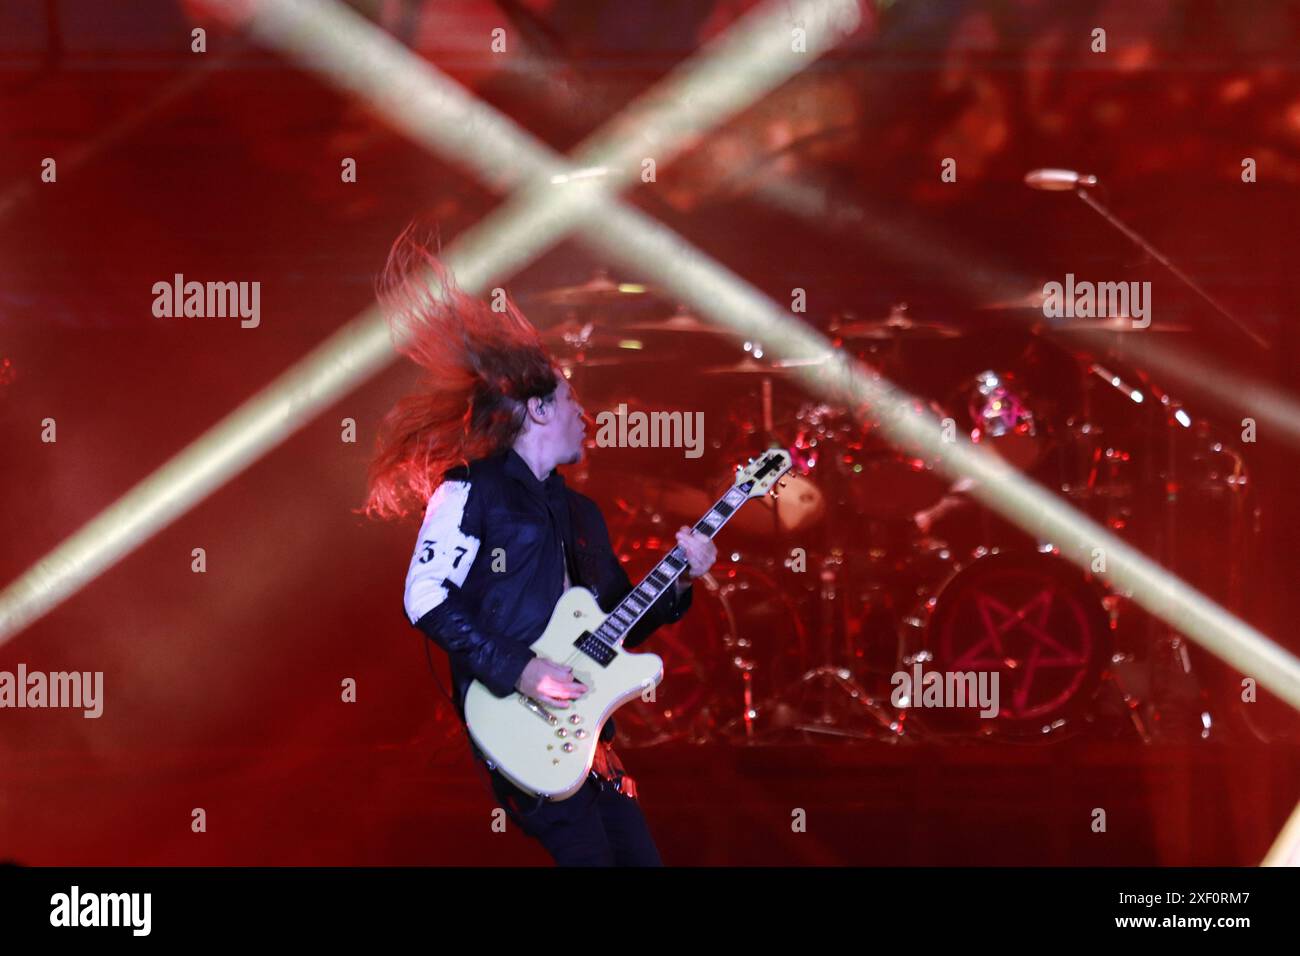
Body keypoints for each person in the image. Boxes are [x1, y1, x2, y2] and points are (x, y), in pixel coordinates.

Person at [363, 230, 716, 865]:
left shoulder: (579, 512)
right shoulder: (470, 491)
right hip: (519, 723)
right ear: (539, 410)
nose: (586, 413)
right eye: (573, 398)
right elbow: (424, 598)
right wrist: (521, 669)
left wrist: (682, 580)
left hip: (588, 739)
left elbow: (617, 622)